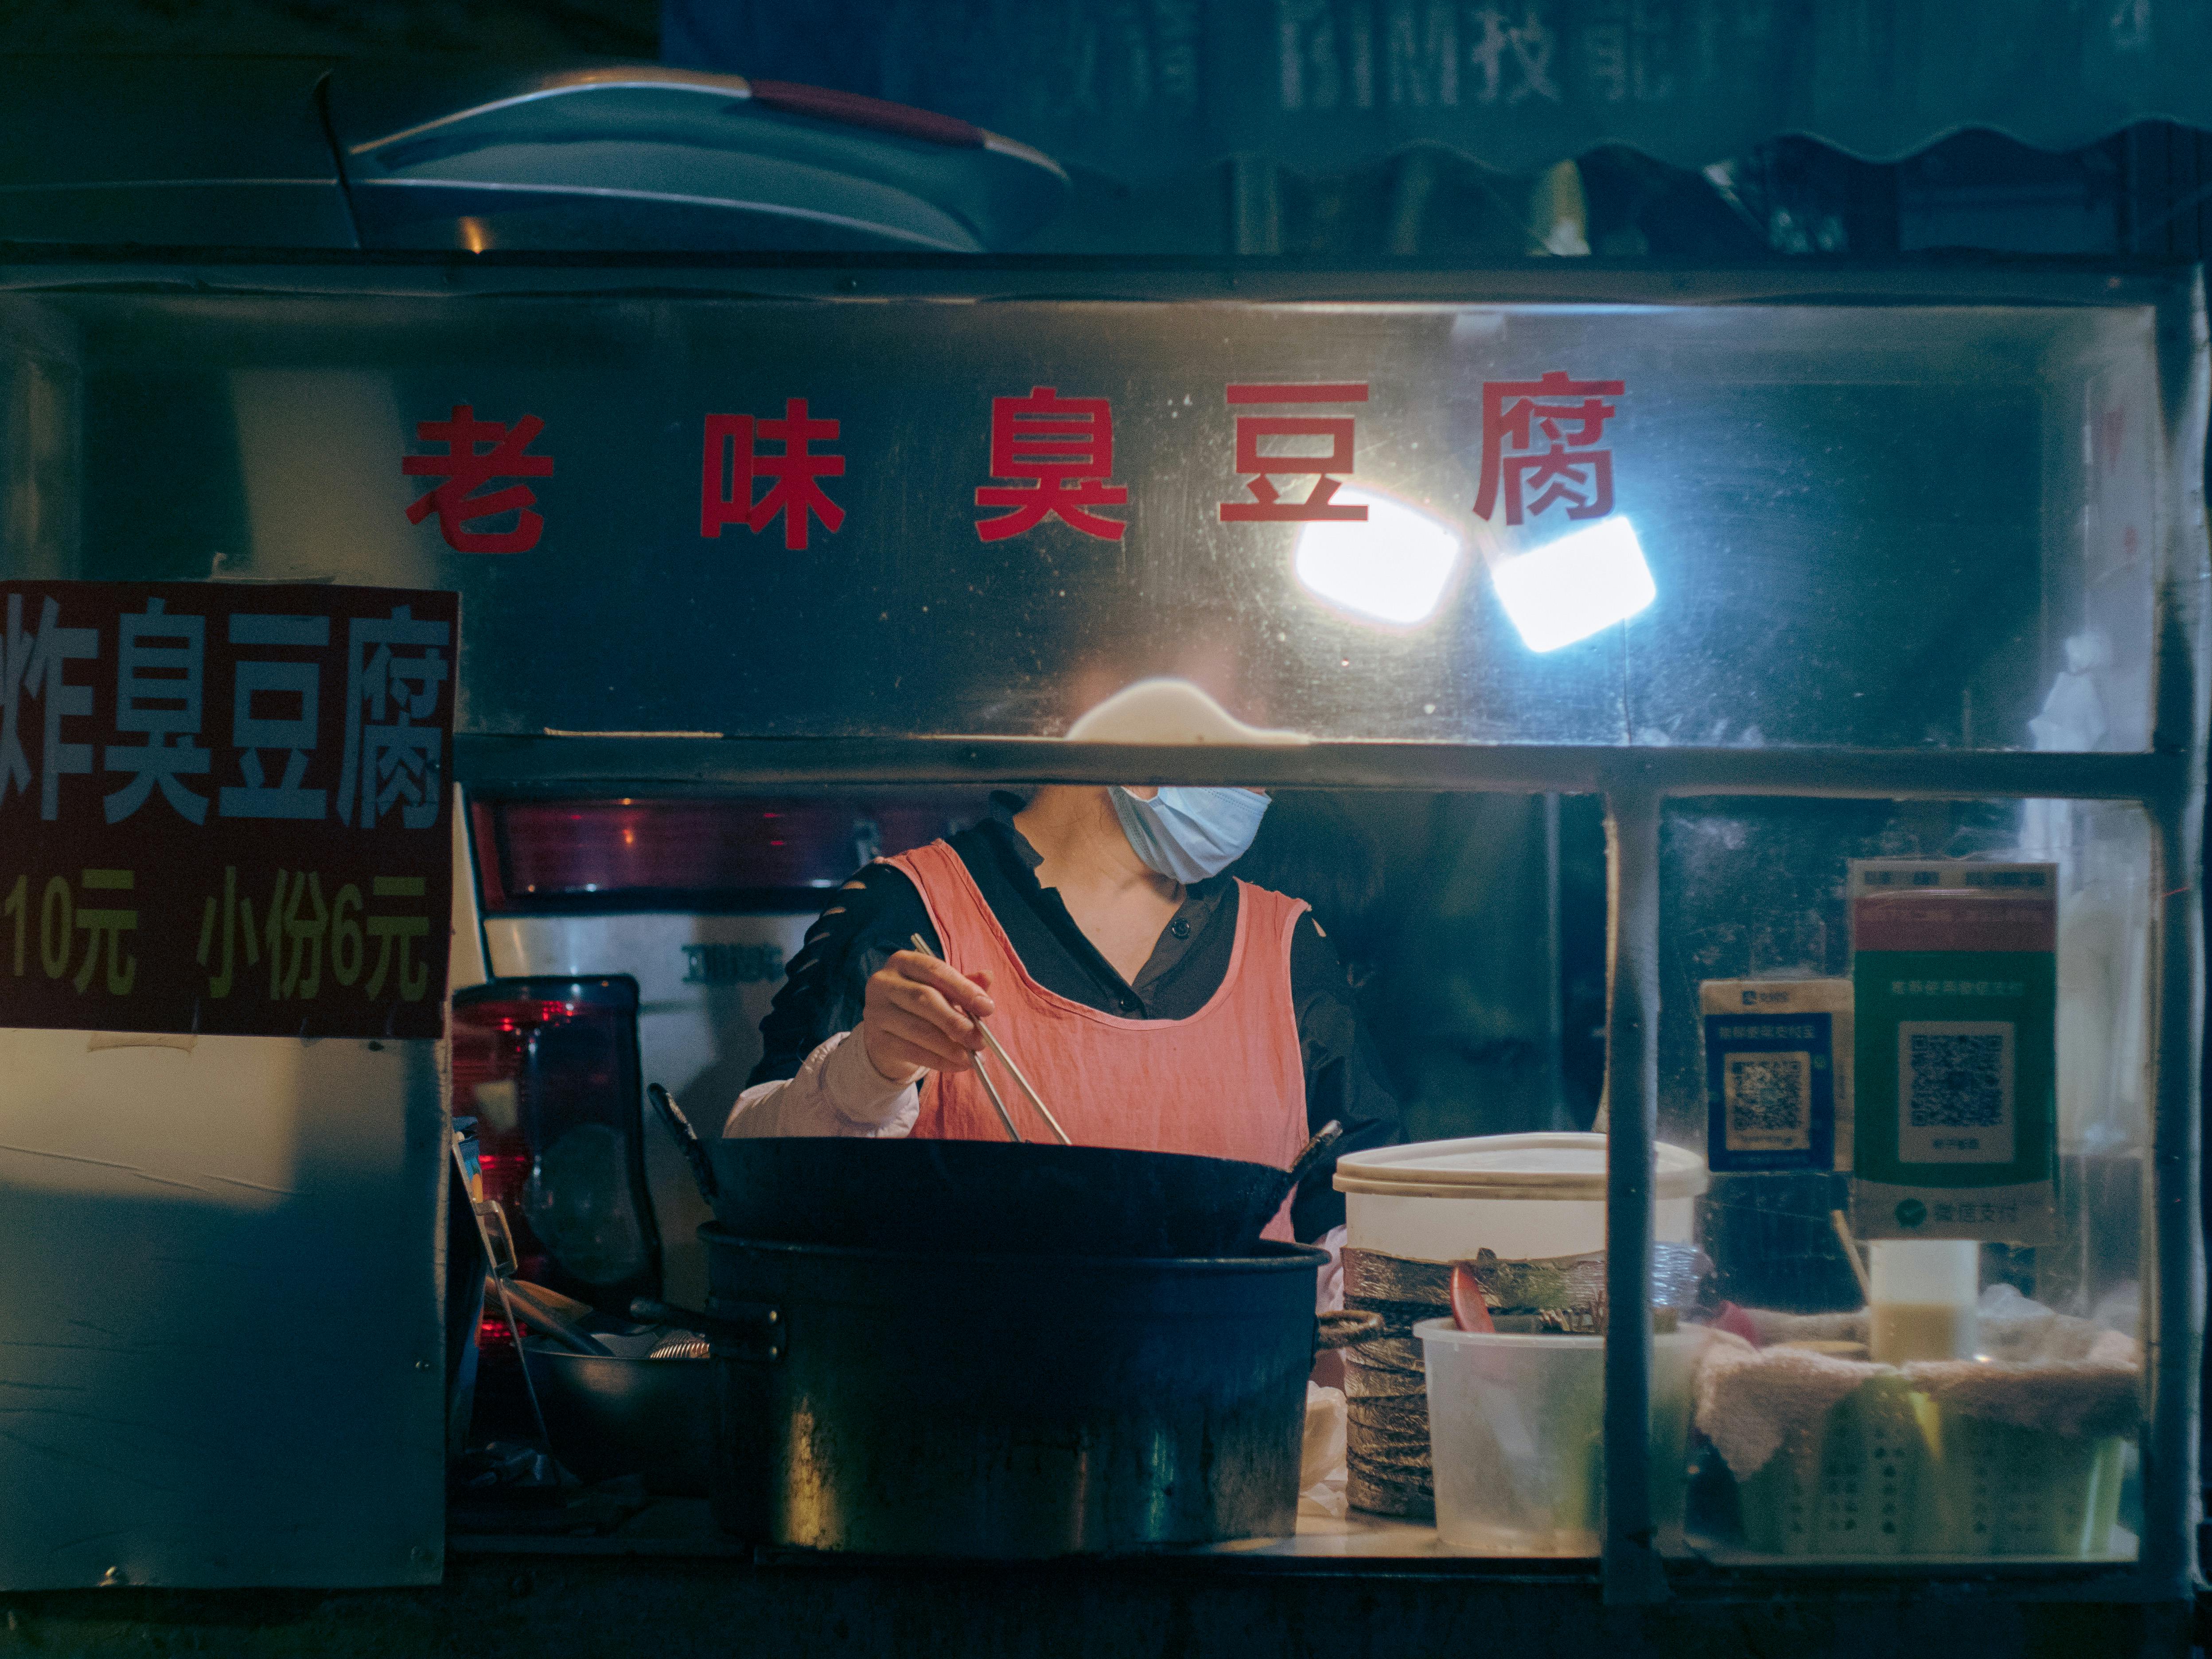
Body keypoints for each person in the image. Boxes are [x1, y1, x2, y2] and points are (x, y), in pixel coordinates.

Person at [724, 783, 1401, 1248]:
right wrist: (865, 1072)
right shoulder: (906, 910)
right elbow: (756, 1185)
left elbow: (1359, 1219)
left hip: (1227, 1425)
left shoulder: (1290, 947)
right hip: (948, 1428)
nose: (1255, 791)